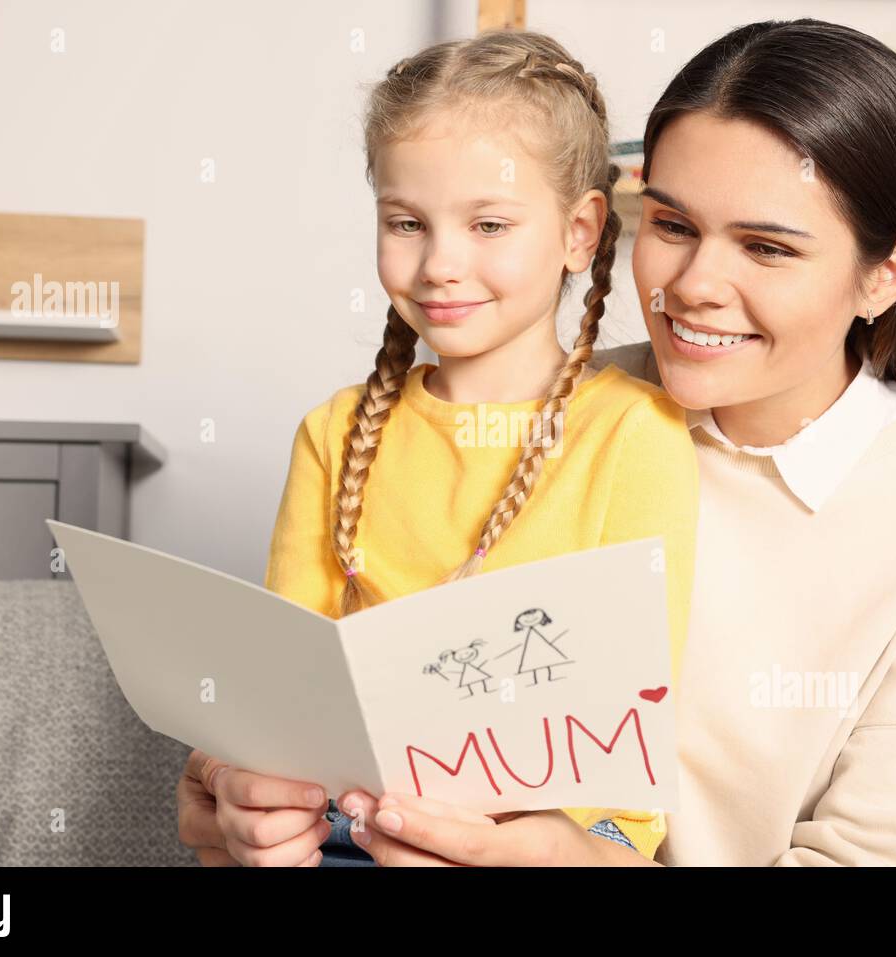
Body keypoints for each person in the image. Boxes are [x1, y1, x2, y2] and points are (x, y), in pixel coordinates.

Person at [179, 18, 896, 866]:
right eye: (674, 226)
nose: (695, 286)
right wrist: (228, 789)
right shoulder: (546, 405)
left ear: (885, 275)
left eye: (765, 247)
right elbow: (318, 689)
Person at [179, 29, 700, 867]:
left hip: (558, 841)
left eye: (489, 223)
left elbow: (626, 723)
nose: (440, 264)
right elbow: (280, 695)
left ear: (579, 232)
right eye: (407, 222)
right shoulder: (333, 432)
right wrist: (246, 795)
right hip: (353, 829)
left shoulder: (635, 435)